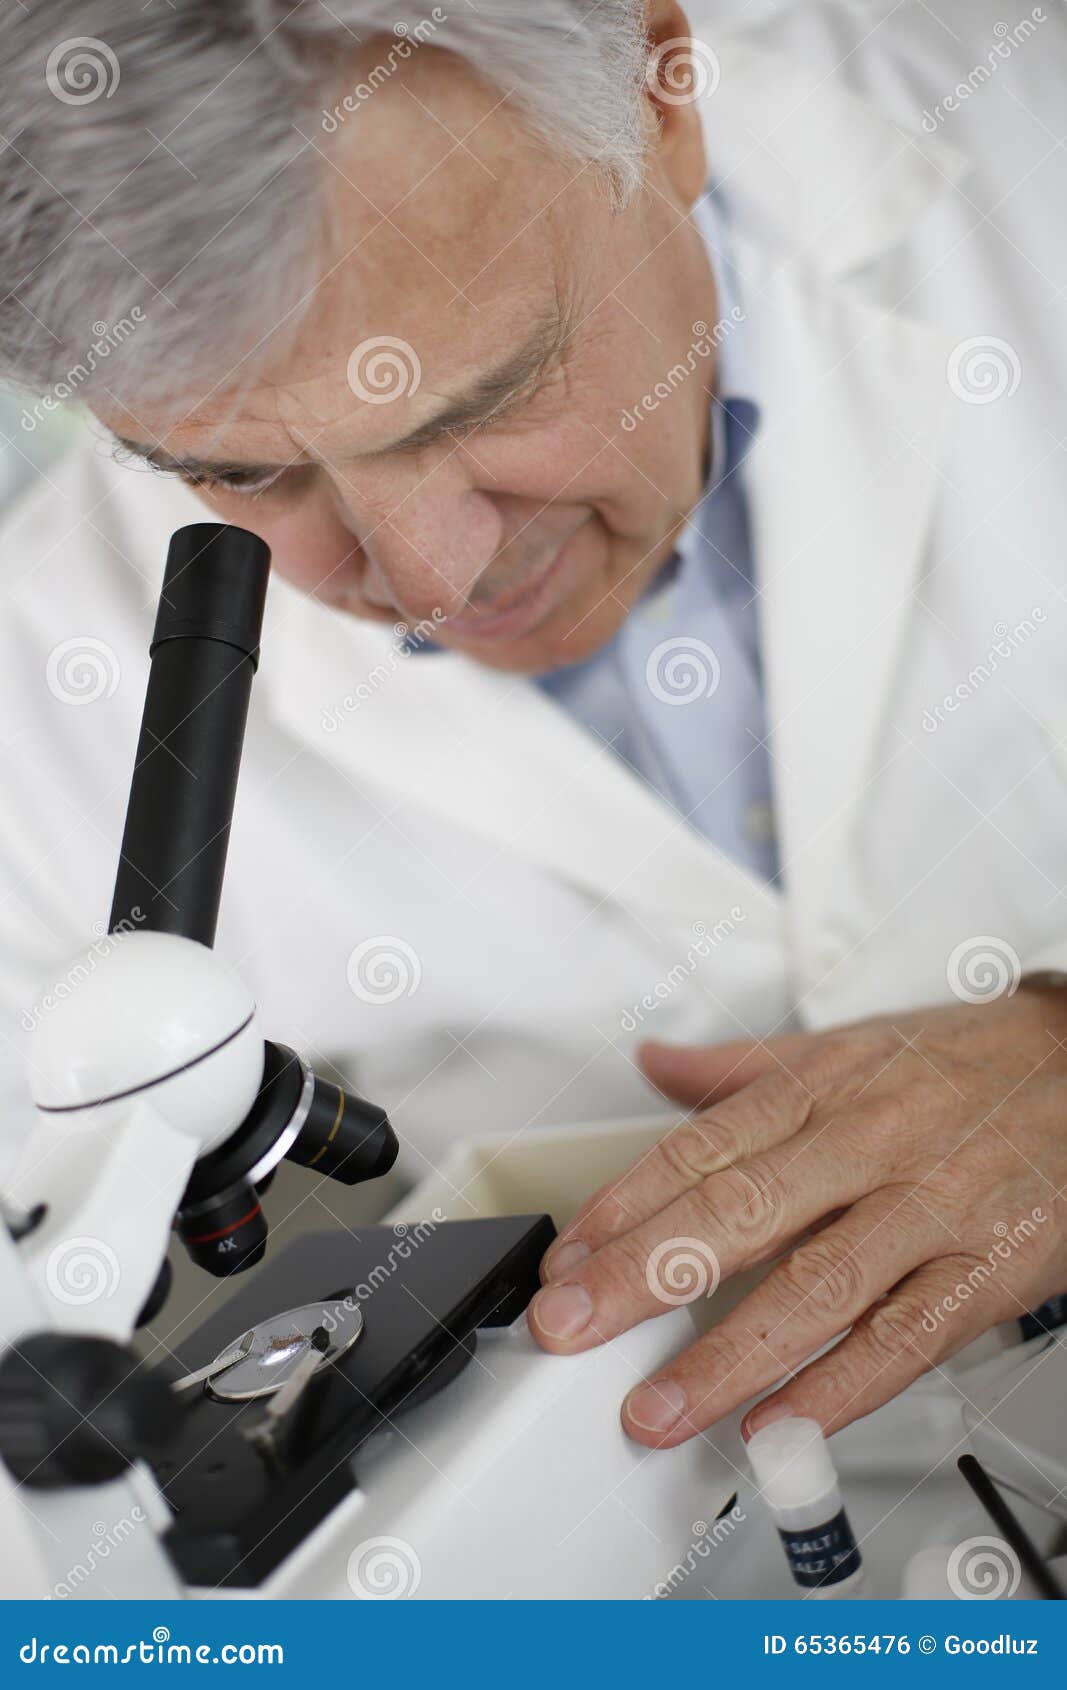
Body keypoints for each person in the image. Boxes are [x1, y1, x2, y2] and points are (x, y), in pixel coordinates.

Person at [0, 0, 1064, 1452]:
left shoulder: (1031, 135)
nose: (430, 582)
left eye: (486, 401)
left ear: (659, 92)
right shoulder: (45, 679)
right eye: (243, 474)